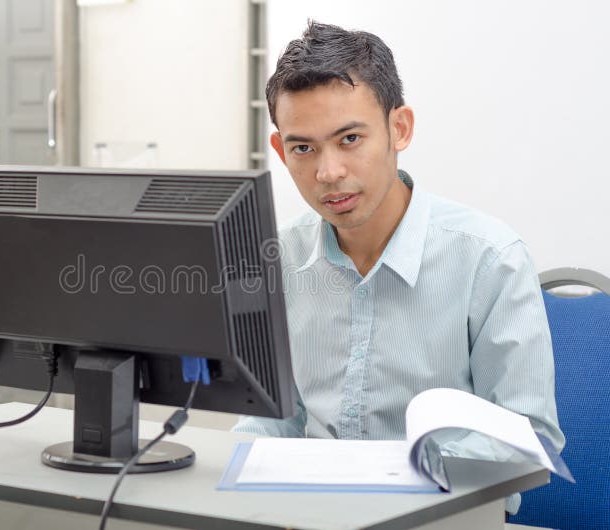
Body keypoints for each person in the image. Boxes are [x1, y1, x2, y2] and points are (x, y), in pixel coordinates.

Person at [233, 21, 564, 515]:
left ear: (399, 129)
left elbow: (530, 442)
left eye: (349, 139)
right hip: (311, 515)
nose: (328, 172)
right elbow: (271, 422)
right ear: (281, 151)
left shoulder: (489, 259)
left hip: (446, 519)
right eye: (304, 148)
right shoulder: (278, 260)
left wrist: (392, 470)